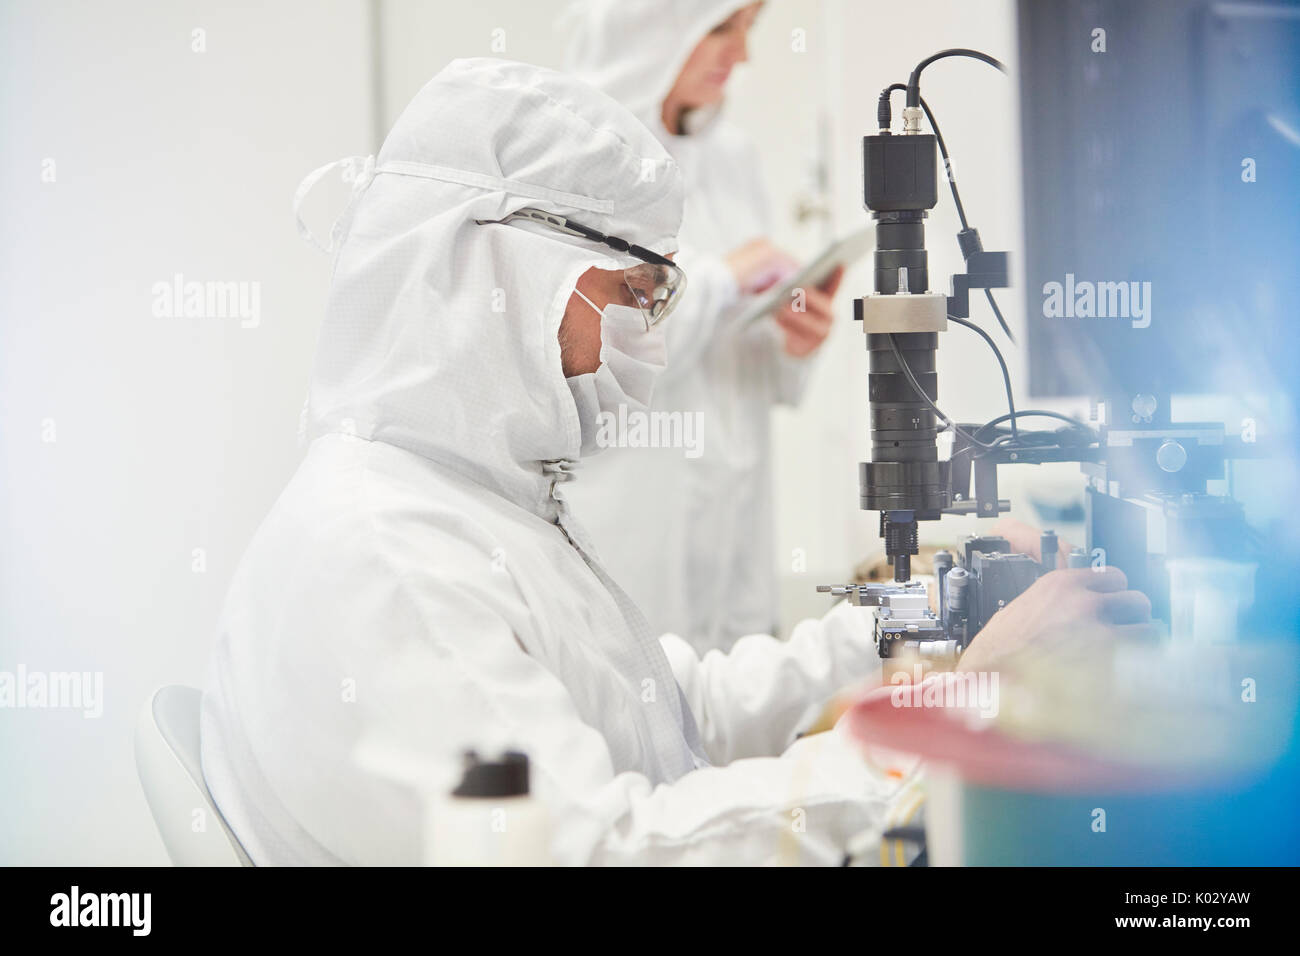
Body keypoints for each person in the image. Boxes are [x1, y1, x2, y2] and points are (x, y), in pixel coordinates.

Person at [199, 58, 1151, 866]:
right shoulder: (389, 557)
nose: (650, 346)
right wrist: (958, 712)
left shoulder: (470, 503)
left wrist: (915, 619)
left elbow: (668, 707)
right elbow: (613, 855)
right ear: (500, 272)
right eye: (639, 294)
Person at [561, 0, 841, 651]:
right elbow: (594, 354)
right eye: (721, 27)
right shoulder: (581, 159)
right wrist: (723, 276)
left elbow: (743, 350)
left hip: (736, 520)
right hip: (635, 514)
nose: (741, 55)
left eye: (748, 30)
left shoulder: (731, 157)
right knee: (644, 702)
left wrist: (794, 336)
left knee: (738, 702)